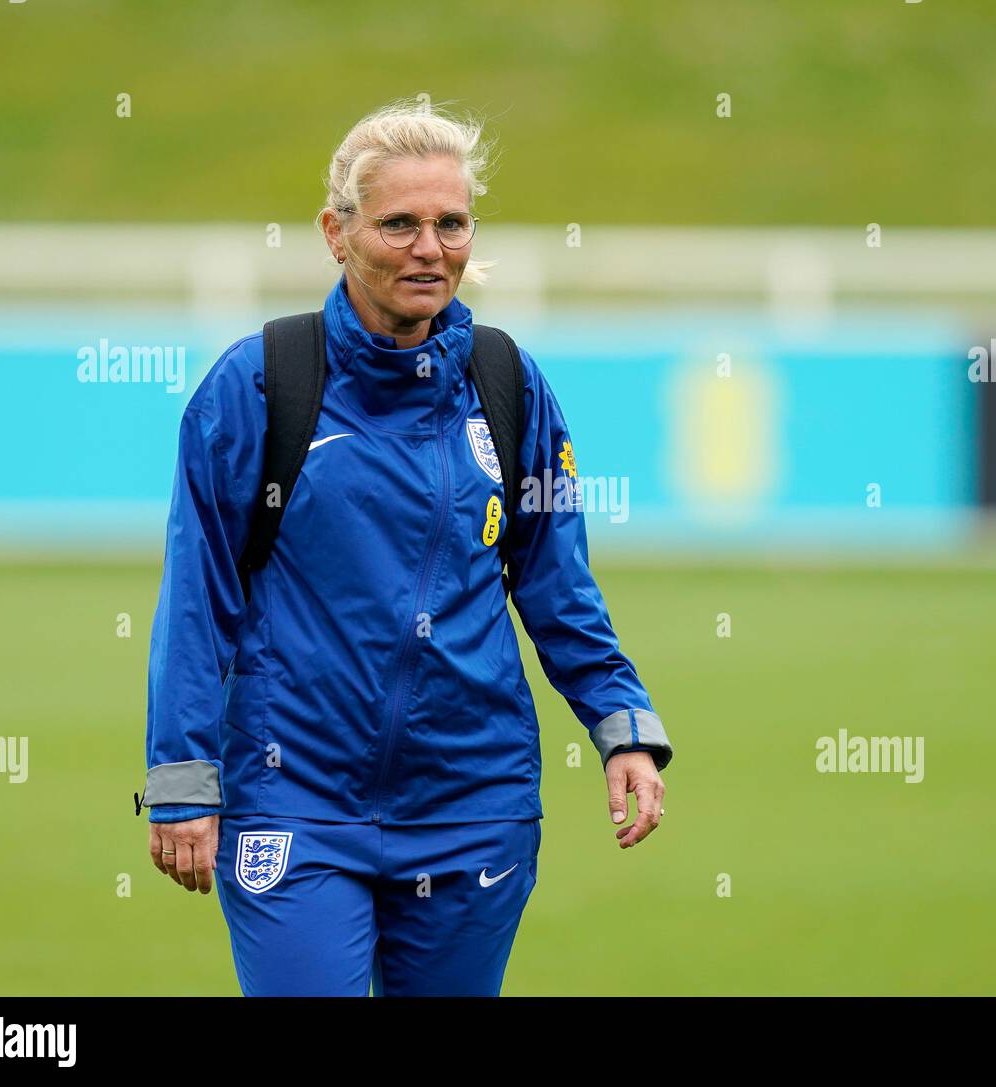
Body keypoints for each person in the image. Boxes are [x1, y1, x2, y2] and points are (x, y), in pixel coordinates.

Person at [139, 99, 673, 996]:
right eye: (399, 223)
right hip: (294, 795)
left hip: (473, 803)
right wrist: (183, 781)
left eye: (450, 223)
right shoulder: (261, 383)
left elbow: (555, 580)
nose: (430, 248)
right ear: (335, 232)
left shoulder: (506, 383)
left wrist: (621, 726)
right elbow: (200, 597)